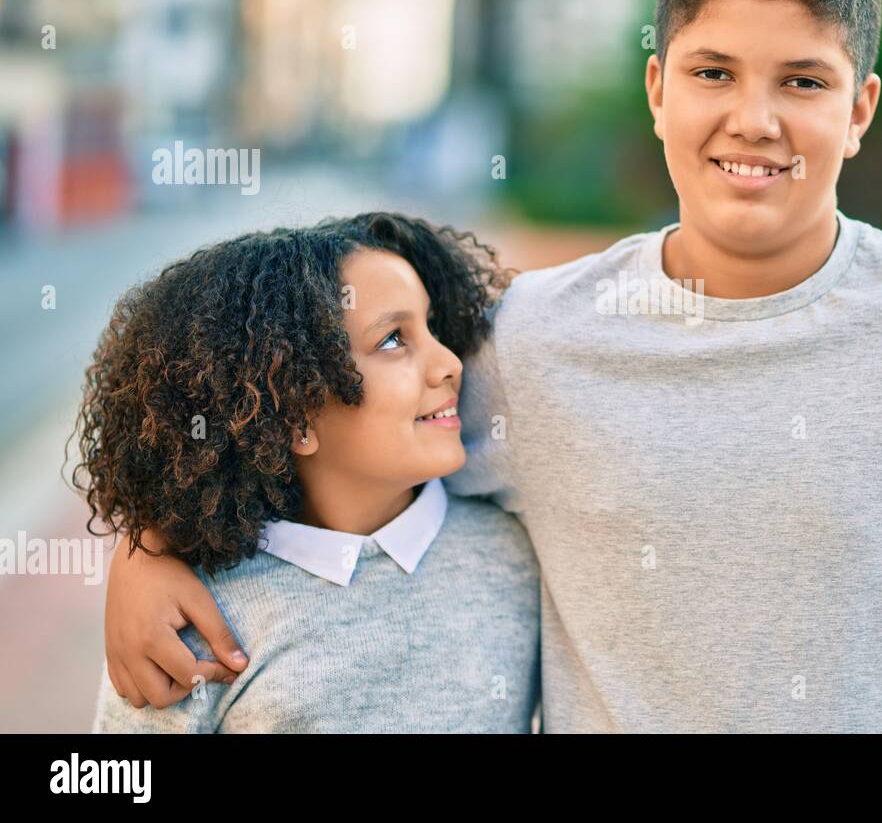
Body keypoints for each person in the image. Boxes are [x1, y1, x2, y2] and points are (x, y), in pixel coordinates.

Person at [98, 0, 882, 732]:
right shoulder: (536, 341)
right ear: (657, 90)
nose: (751, 119)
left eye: (802, 81)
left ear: (858, 111)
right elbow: (287, 416)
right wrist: (149, 545)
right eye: (713, 72)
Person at [79, 214, 539, 732]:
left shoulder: (513, 550)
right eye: (392, 340)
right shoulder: (194, 619)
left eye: (431, 327)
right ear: (295, 413)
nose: (449, 363)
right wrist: (143, 547)